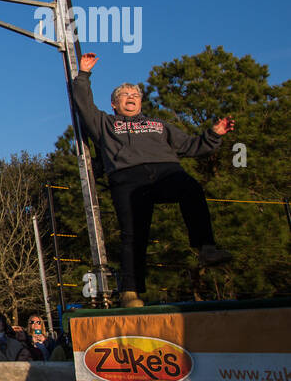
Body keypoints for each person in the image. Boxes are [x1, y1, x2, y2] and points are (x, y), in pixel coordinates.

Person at [73, 52, 235, 307]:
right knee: (134, 232)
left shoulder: (158, 125)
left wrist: (214, 134)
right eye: (125, 96)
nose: (131, 98)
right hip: (128, 176)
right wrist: (84, 74)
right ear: (114, 104)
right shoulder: (105, 123)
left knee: (191, 187)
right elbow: (84, 105)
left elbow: (192, 145)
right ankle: (130, 291)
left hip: (165, 171)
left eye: (135, 95)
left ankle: (206, 248)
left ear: (141, 102)